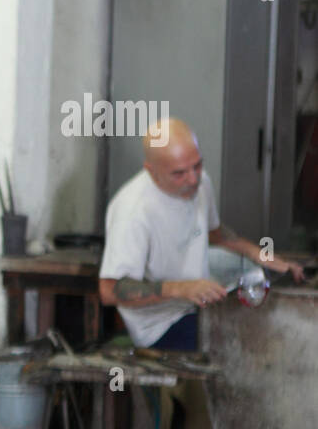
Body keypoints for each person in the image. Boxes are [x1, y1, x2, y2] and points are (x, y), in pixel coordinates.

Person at [98, 118, 304, 350]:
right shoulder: (133, 211)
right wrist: (181, 288)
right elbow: (109, 290)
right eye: (179, 174)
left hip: (198, 306)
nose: (193, 179)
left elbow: (215, 233)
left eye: (197, 166)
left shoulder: (199, 182)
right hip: (161, 326)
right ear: (151, 171)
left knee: (274, 323)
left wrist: (264, 257)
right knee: (250, 345)